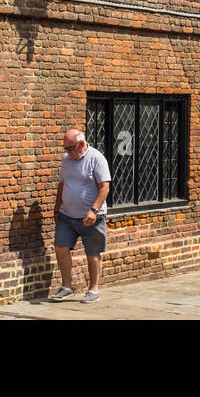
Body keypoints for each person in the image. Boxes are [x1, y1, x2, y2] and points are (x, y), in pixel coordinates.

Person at [50, 128, 111, 303]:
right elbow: (62, 184)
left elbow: (104, 187)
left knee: (92, 252)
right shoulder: (66, 160)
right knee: (60, 248)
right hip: (67, 215)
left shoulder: (96, 159)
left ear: (82, 144)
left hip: (90, 216)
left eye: (70, 148)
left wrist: (94, 210)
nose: (67, 152)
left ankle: (93, 289)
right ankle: (67, 287)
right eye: (65, 148)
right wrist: (57, 208)